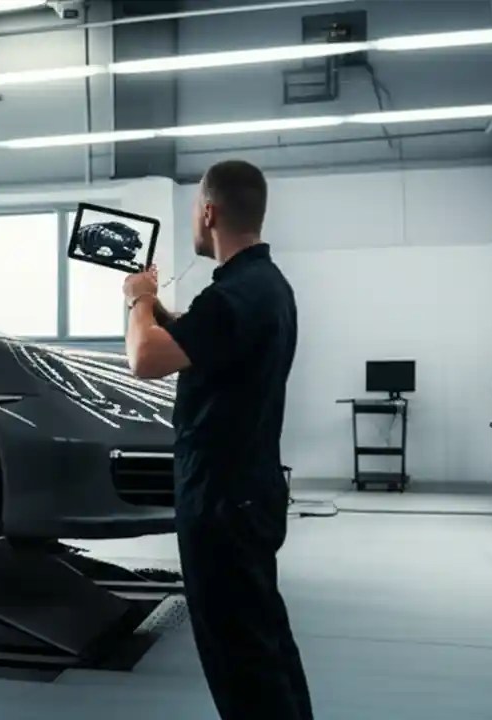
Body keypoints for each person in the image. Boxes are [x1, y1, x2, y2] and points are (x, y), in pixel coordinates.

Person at [122, 159, 313, 720]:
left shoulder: (233, 295)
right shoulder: (264, 285)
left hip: (221, 502)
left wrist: (137, 299)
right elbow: (207, 337)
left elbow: (144, 358)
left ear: (208, 212)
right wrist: (157, 309)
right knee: (264, 642)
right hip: (251, 490)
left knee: (239, 661)